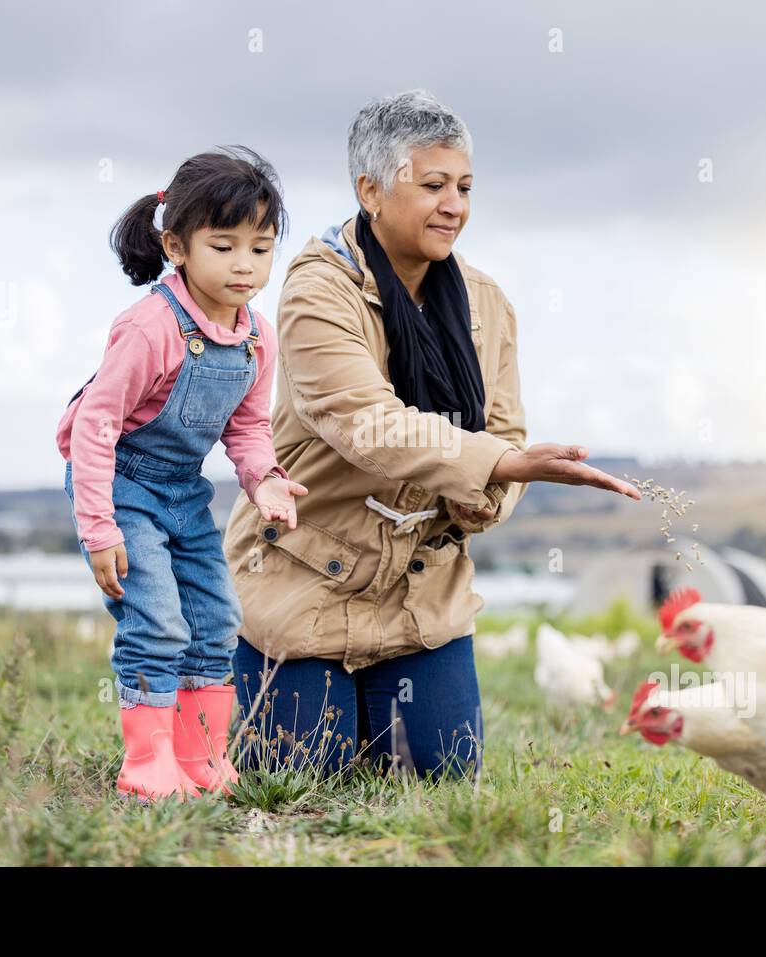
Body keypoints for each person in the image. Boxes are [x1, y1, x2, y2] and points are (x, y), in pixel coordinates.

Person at [220, 91, 640, 782]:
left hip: (422, 596)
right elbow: (367, 421)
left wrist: (488, 495)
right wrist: (498, 462)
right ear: (371, 190)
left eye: (466, 187)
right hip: (306, 580)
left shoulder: (487, 304)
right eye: (434, 184)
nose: (455, 205)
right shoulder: (317, 289)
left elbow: (506, 434)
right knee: (295, 774)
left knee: (442, 775)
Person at [56, 146, 309, 800]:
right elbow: (95, 426)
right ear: (176, 245)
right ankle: (148, 765)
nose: (244, 265)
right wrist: (100, 526)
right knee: (159, 620)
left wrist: (266, 479)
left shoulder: (257, 336)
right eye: (223, 246)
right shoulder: (150, 328)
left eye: (261, 247)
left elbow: (247, 430)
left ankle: (201, 759)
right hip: (119, 486)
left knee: (217, 617)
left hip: (183, 495)